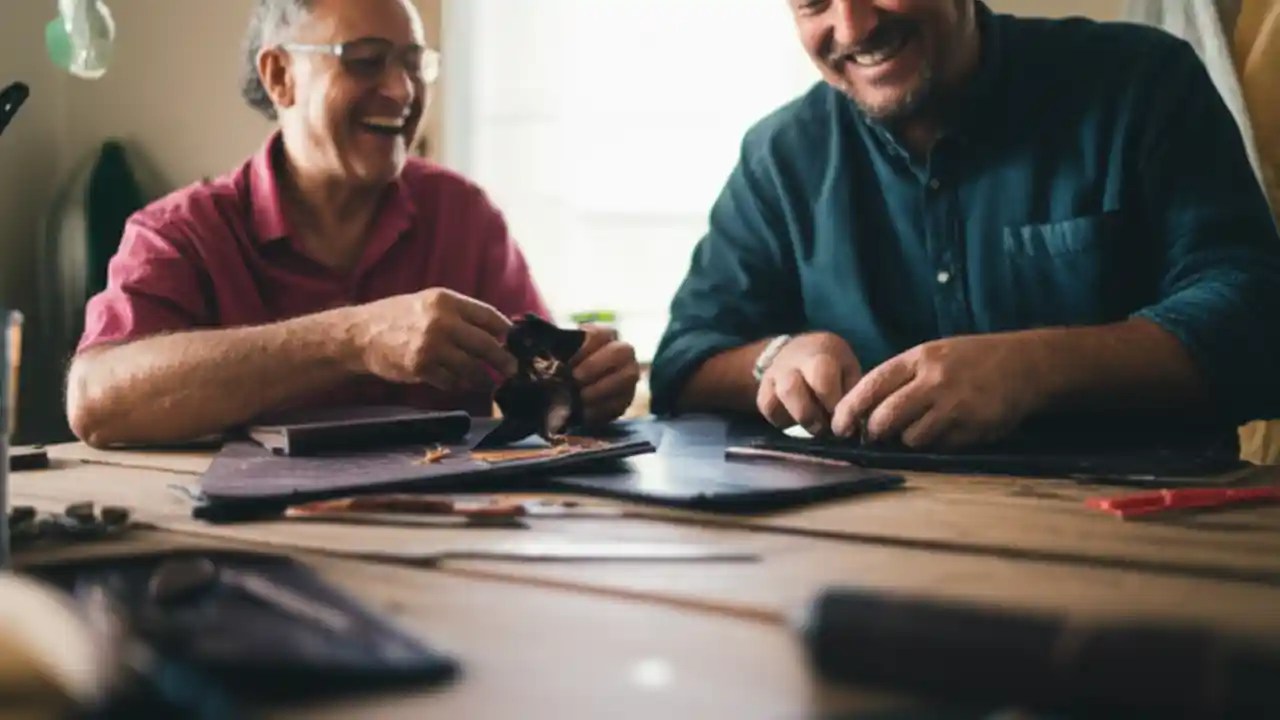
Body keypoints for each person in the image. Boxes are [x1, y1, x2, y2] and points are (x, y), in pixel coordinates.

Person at [650, 0, 1280, 450]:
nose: (853, 25)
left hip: (1144, 540)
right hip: (868, 553)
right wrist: (778, 356)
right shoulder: (779, 155)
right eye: (814, 2)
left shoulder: (1141, 82)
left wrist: (1032, 369)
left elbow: (1257, 320)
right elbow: (684, 363)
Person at [66, 0, 640, 448]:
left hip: (447, 555)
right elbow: (97, 403)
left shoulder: (463, 215)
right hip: (242, 558)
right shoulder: (181, 233)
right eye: (365, 61)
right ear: (279, 75)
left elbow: (538, 380)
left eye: (415, 64)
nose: (402, 91)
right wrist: (351, 338)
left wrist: (585, 381)